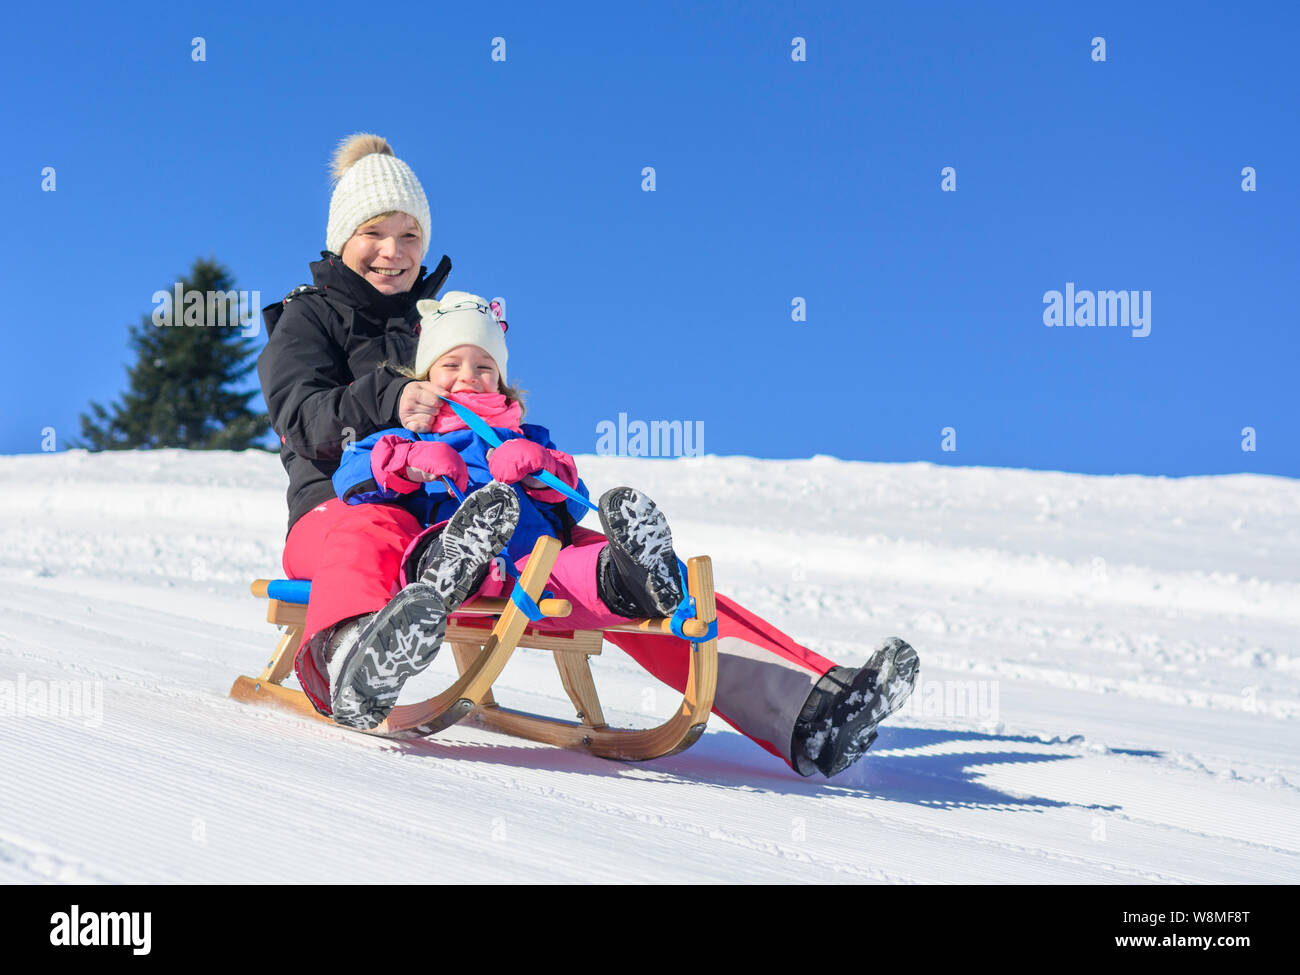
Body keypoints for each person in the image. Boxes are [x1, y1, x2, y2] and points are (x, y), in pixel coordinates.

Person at [258, 132, 920, 779]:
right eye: (374, 232)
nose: (393, 251)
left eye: (409, 235)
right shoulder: (308, 319)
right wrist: (393, 397)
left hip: (473, 513)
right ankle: (351, 664)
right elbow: (301, 420)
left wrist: (532, 470)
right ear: (341, 236)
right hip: (341, 506)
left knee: (622, 567)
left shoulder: (443, 322)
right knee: (370, 526)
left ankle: (806, 710)